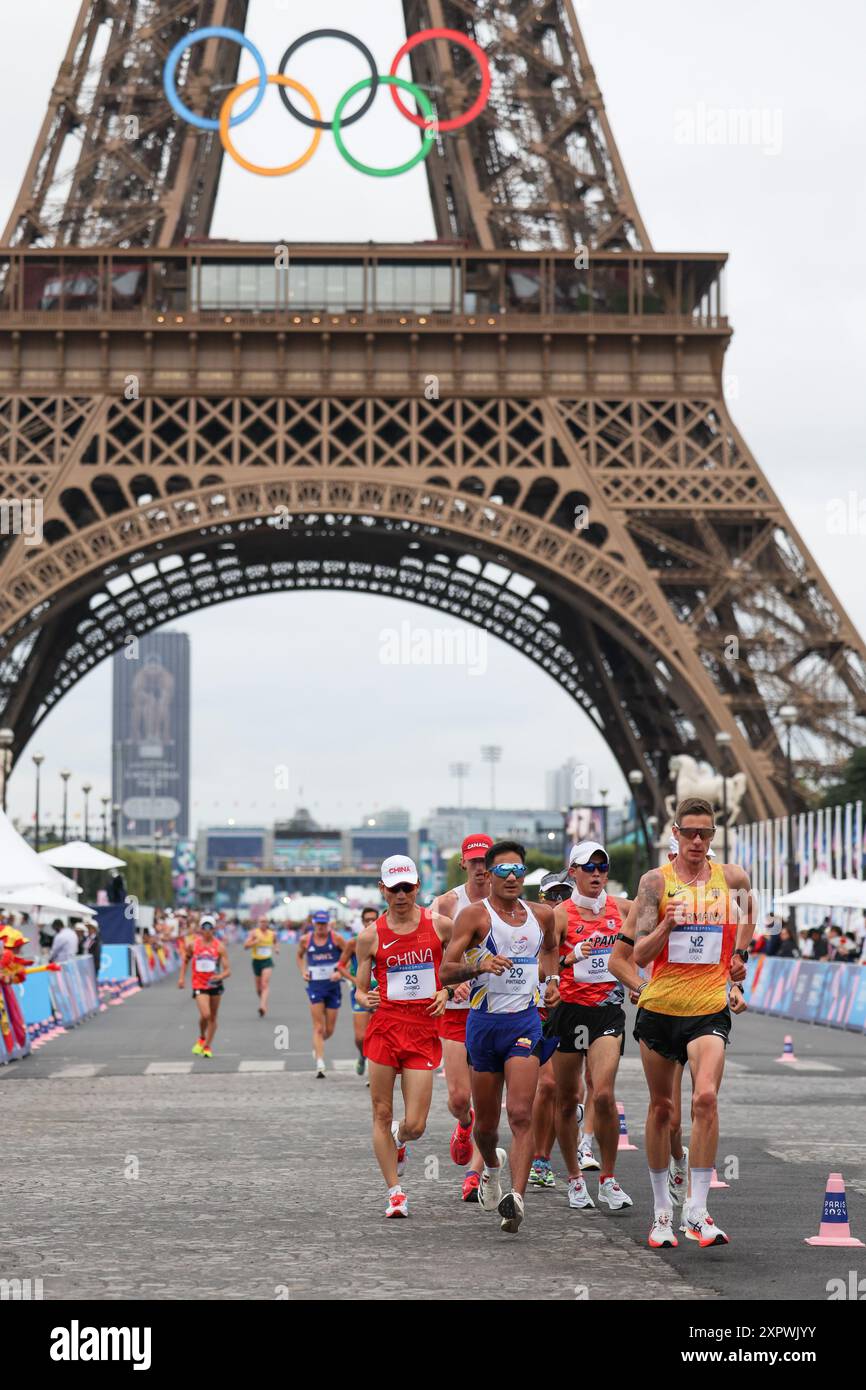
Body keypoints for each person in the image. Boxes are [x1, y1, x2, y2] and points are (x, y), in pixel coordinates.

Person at [631, 797, 753, 1249]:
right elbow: (638, 954)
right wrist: (665, 925)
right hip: (660, 1008)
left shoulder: (732, 879)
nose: (698, 841)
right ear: (676, 834)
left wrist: (739, 957)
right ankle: (663, 1211)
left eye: (706, 834)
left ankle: (697, 1210)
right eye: (690, 833)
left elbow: (749, 913)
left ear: (713, 837)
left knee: (705, 1098)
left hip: (707, 1009)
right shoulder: (653, 883)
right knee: (663, 1110)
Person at [441, 841, 559, 1235]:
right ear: (488, 875)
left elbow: (551, 953)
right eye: (503, 871)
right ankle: (491, 1165)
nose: (512, 878)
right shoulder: (475, 917)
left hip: (524, 1024)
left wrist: (552, 981)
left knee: (522, 1113)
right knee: (487, 1127)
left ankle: (516, 1198)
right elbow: (445, 971)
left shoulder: (542, 915)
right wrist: (479, 966)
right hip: (483, 1025)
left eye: (519, 871)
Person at [353, 857, 452, 1218]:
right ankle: (395, 1192)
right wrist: (368, 998)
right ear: (382, 889)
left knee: (416, 1124)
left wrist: (448, 992)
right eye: (393, 888)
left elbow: (458, 965)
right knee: (381, 1111)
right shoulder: (370, 936)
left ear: (417, 887)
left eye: (407, 887)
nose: (400, 895)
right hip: (385, 1028)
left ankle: (400, 1139)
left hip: (423, 1029)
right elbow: (361, 991)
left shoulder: (441, 927)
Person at [545, 842, 636, 1214]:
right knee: (566, 1101)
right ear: (573, 872)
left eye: (602, 866)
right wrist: (565, 963)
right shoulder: (560, 915)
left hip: (606, 1011)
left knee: (602, 1094)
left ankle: (609, 1179)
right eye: (588, 867)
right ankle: (574, 1179)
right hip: (568, 1011)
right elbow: (546, 961)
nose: (596, 873)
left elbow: (642, 943)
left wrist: (635, 979)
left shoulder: (623, 909)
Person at [431, 832, 493, 1202]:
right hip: (457, 1010)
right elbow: (431, 948)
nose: (481, 868)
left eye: (487, 861)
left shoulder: (508, 904)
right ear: (463, 864)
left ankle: (475, 1172)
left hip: (494, 1007)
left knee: (487, 1097)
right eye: (475, 862)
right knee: (459, 1098)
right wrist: (450, 981)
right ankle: (463, 1125)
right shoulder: (446, 903)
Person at [528, 872, 574, 1191]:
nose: (559, 901)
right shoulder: (531, 925)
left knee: (559, 1089)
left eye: (565, 895)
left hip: (568, 1011)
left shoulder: (578, 923)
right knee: (545, 1085)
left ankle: (544, 1159)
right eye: (553, 896)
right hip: (532, 1011)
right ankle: (536, 1156)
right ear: (542, 899)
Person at [298, 910, 349, 1078]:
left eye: (323, 924)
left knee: (329, 1030)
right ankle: (320, 1062)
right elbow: (299, 956)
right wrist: (303, 970)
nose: (321, 927)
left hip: (333, 986)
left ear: (328, 924)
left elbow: (349, 955)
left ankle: (317, 1046)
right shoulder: (306, 940)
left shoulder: (336, 939)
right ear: (313, 924)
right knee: (318, 1027)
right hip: (315, 986)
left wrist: (340, 972)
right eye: (318, 924)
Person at [177, 914, 231, 1058]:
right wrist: (182, 978)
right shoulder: (193, 945)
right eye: (204, 927)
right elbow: (185, 960)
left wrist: (220, 976)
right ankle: (201, 1036)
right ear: (200, 929)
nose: (207, 930)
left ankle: (207, 1045)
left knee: (213, 1017)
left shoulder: (219, 947)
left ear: (214, 929)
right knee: (205, 1014)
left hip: (215, 984)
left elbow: (227, 970)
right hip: (199, 983)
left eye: (209, 927)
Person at [337, 906, 380, 1077]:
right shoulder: (354, 942)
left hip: (380, 993)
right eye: (366, 920)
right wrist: (355, 980)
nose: (370, 922)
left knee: (378, 1034)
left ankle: (374, 1070)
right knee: (360, 1037)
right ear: (362, 922)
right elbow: (340, 966)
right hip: (360, 992)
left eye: (373, 919)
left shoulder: (385, 938)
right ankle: (362, 1056)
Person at [244, 921, 279, 1016]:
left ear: (267, 923)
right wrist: (254, 942)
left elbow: (275, 942)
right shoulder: (254, 933)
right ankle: (263, 1001)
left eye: (265, 922)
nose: (263, 923)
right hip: (256, 961)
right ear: (259, 923)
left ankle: (262, 1006)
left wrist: (276, 948)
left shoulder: (272, 934)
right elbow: (245, 946)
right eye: (261, 922)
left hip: (267, 961)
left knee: (265, 984)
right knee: (258, 989)